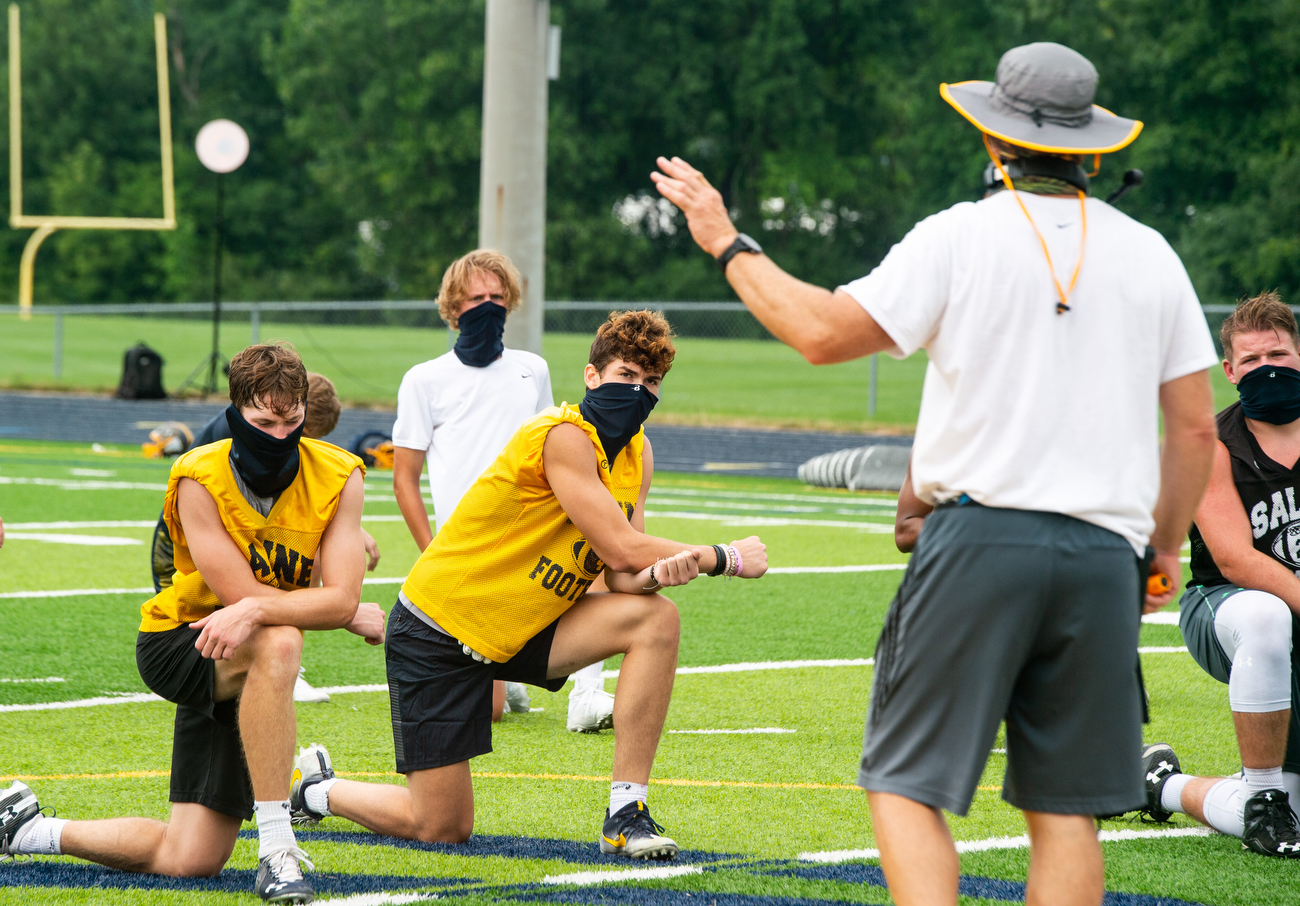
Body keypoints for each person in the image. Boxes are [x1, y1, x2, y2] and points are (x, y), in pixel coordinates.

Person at [652, 41, 1218, 906]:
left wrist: (726, 240)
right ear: (1092, 150)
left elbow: (819, 333)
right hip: (1106, 553)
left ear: (993, 140)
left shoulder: (957, 235)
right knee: (1065, 813)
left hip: (980, 538)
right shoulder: (1152, 254)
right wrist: (1164, 549)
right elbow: (1191, 431)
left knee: (906, 783)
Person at [287, 310, 767, 859]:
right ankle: (318, 790)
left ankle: (625, 813)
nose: (638, 392)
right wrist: (722, 556)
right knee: (440, 826)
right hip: (439, 630)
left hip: (520, 625)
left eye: (651, 383)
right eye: (626, 376)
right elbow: (620, 546)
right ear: (592, 376)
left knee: (656, 618)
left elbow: (622, 573)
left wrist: (662, 572)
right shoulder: (563, 435)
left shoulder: (638, 452)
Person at [1, 343, 385, 904]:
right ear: (234, 415)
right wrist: (324, 611)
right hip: (179, 640)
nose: (279, 436)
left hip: (240, 654)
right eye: (262, 422)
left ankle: (27, 830)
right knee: (279, 637)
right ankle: (278, 850)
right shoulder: (198, 476)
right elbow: (247, 599)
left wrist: (319, 607)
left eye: (291, 421)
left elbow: (340, 595)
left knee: (191, 857)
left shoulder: (340, 475)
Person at [391, 249, 612, 731]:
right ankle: (505, 671)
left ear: (510, 302)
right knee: (488, 713)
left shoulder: (532, 367)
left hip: (532, 524)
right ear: (453, 309)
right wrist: (431, 551)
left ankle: (587, 695)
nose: (487, 307)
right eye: (475, 298)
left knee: (597, 565)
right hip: (468, 545)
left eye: (496, 296)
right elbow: (404, 477)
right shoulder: (423, 379)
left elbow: (552, 446)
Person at [1139, 292, 1300, 857]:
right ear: (1229, 371)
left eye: (1278, 353)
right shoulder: (1213, 443)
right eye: (1252, 361)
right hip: (1227, 606)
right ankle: (1264, 796)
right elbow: (1236, 559)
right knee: (1266, 612)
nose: (1268, 368)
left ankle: (1160, 786)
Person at [149, 371, 381, 704]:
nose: (286, 441)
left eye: (296, 428)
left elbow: (296, 505)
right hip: (188, 546)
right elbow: (242, 524)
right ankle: (279, 659)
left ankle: (277, 660)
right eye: (271, 426)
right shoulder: (227, 450)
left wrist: (345, 524)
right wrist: (342, 613)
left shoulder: (280, 434)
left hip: (230, 546)